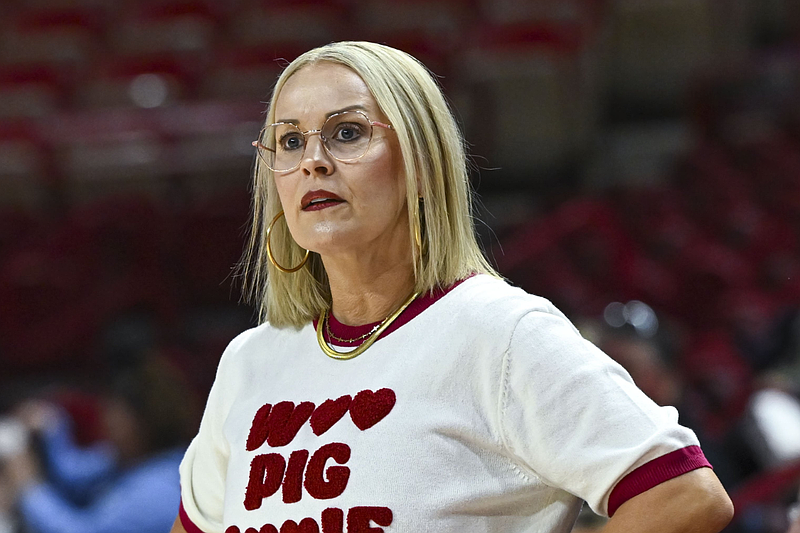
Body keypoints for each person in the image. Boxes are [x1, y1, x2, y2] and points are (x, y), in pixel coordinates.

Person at [171, 41, 733, 533]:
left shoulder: (500, 332)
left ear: (420, 161)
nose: (313, 162)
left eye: (347, 133)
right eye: (289, 143)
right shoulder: (250, 360)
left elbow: (685, 495)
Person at [5, 355, 197, 533]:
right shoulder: (132, 456)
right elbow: (75, 478)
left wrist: (28, 487)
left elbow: (82, 531)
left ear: (141, 423)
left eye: (115, 414)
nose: (105, 422)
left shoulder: (159, 490)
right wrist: (52, 428)